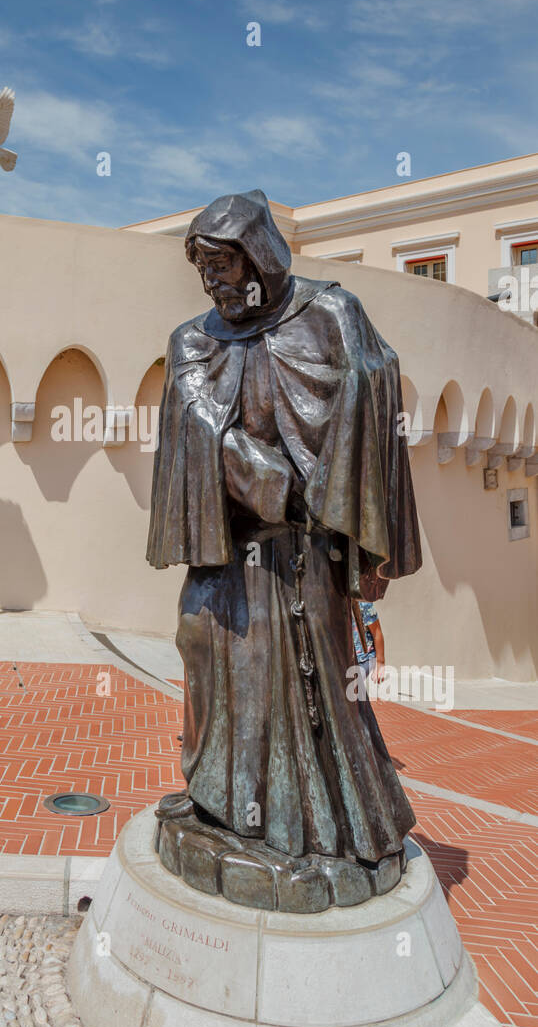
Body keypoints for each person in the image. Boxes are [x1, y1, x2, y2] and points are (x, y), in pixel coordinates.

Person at [148, 190, 422, 906]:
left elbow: (374, 404)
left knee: (308, 687)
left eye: (223, 266)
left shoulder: (330, 315)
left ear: (260, 259)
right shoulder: (194, 341)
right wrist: (263, 474)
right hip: (229, 549)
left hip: (306, 554)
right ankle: (216, 800)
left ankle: (322, 835)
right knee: (201, 643)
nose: (213, 284)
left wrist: (356, 395)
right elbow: (193, 425)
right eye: (203, 270)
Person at [352, 599, 385, 695]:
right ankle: (364, 710)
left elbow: (377, 633)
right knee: (354, 693)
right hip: (350, 659)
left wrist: (380, 663)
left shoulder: (363, 604)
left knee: (350, 688)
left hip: (366, 658)